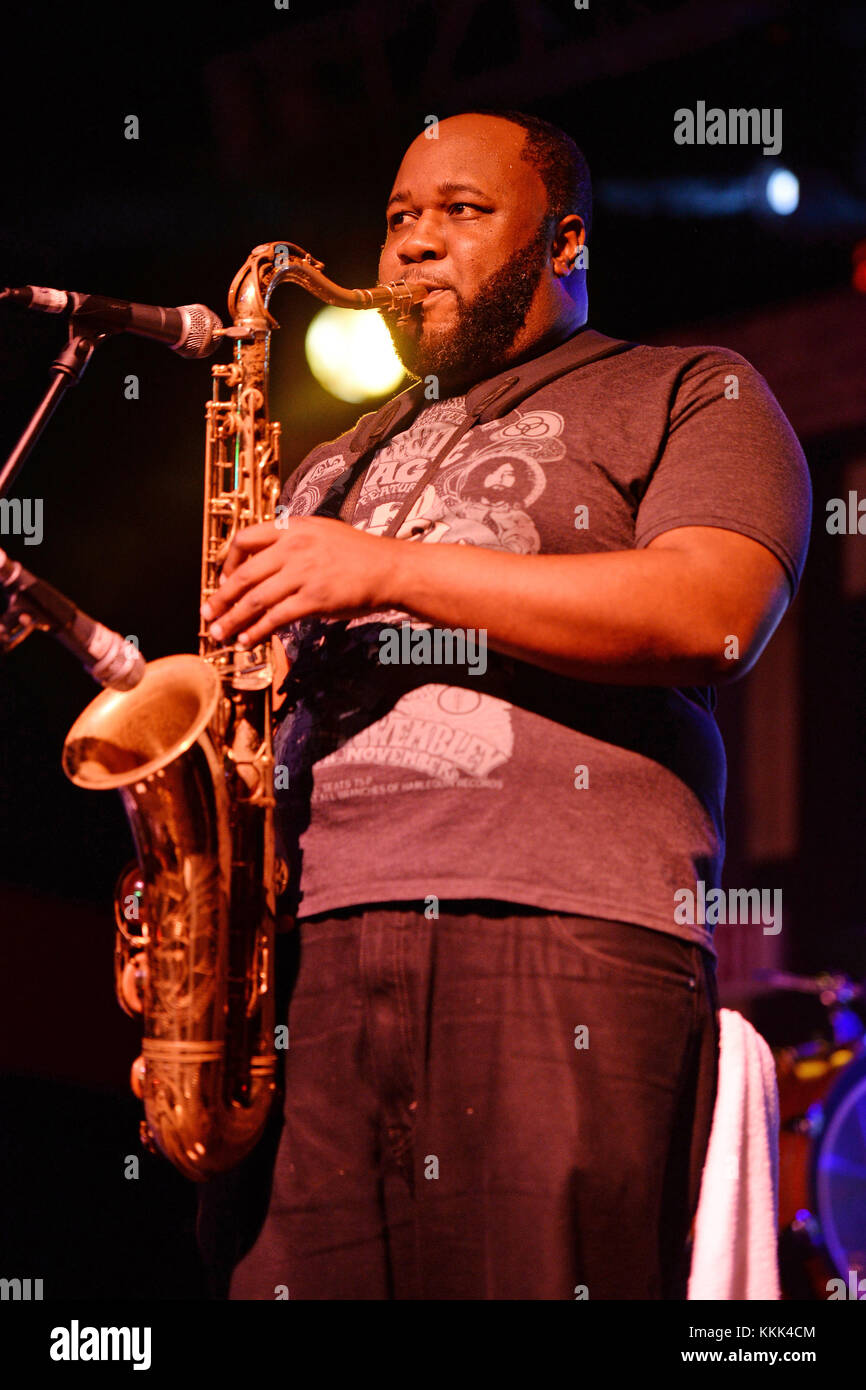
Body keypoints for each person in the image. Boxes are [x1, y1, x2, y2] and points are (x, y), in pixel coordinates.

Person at [195, 110, 811, 1300]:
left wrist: (382, 568)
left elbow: (711, 612)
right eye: (397, 219)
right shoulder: (330, 465)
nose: (415, 245)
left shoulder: (687, 387)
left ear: (563, 240)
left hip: (560, 936)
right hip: (305, 966)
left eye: (461, 212)